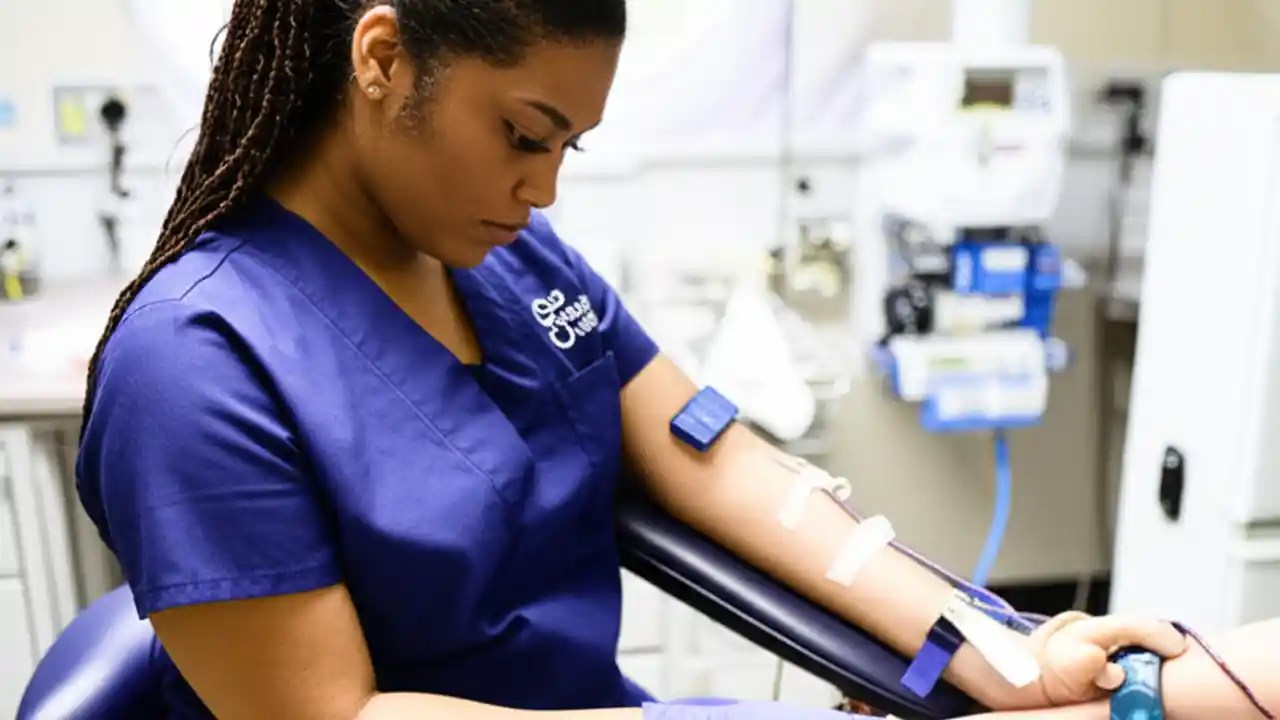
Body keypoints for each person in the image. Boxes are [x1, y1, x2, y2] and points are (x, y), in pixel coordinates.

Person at [73, 1, 1224, 719]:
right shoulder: (196, 361)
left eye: (568, 145)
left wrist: (991, 648)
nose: (544, 187)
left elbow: (708, 454)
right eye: (523, 135)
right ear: (380, 57)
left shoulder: (509, 260)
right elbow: (328, 718)